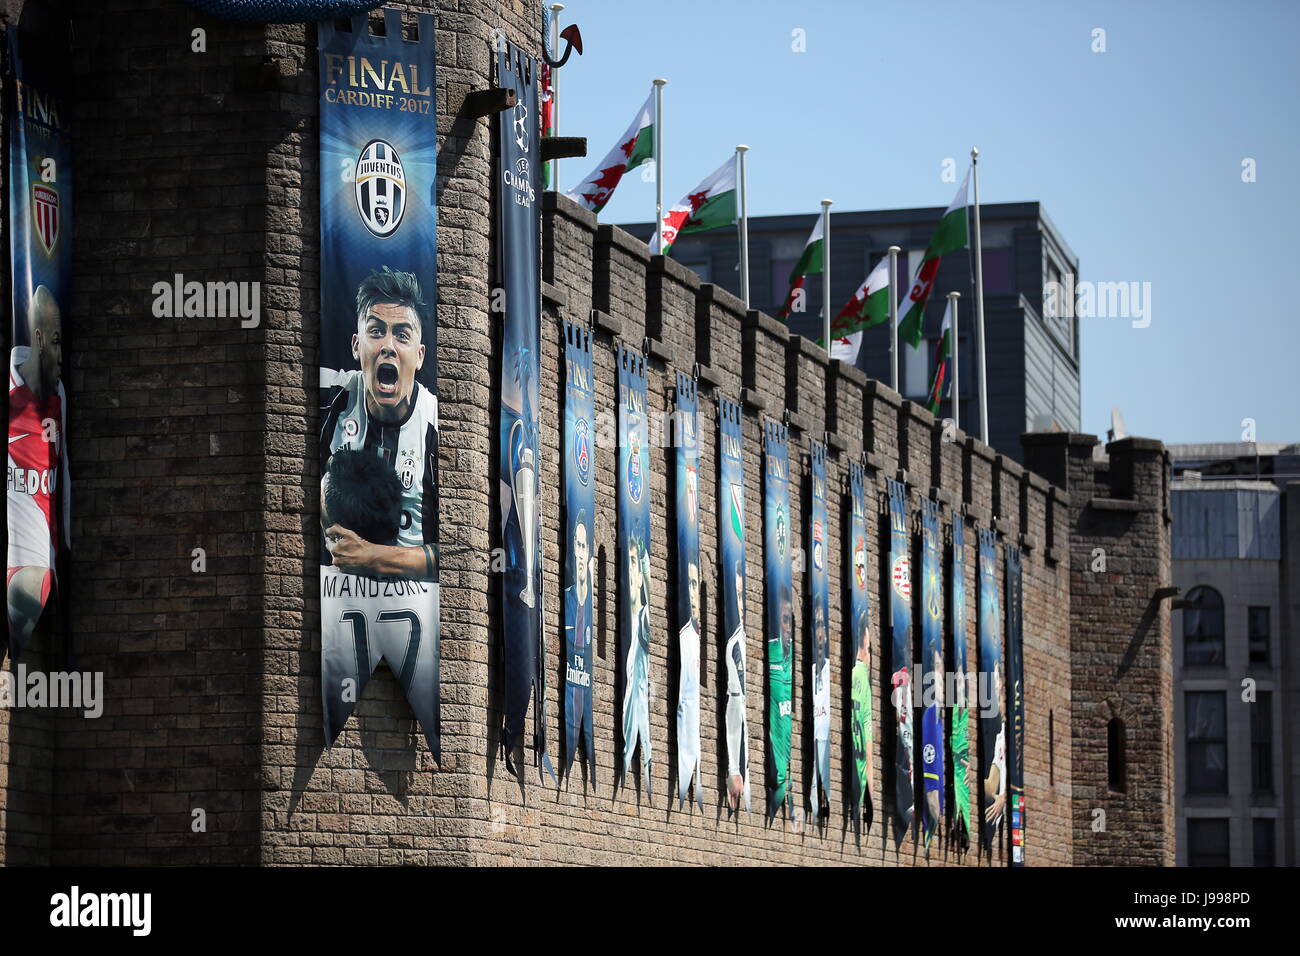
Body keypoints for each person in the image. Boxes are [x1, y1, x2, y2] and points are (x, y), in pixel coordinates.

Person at [320, 266, 437, 581]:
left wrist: (372, 556)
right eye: (376, 331)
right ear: (357, 346)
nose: (388, 346)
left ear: (420, 355)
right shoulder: (327, 398)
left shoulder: (436, 425)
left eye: (402, 334)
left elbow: (459, 552)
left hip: (417, 609)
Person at [8, 285, 69, 652]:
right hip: (22, 570)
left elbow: (65, 476)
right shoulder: (10, 393)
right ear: (40, 338)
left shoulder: (57, 394)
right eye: (58, 342)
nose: (62, 356)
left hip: (52, 563)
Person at [564, 512, 593, 763]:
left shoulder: (589, 606)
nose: (581, 553)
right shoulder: (568, 598)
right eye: (577, 545)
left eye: (585, 546)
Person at [724, 560, 748, 812]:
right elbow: (734, 709)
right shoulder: (734, 646)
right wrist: (734, 768)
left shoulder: (742, 639)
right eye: (737, 596)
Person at [676, 558, 701, 799]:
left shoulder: (697, 637)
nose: (694, 592)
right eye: (691, 585)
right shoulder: (684, 635)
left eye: (697, 585)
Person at [850, 609, 874, 816]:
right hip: (859, 780)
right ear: (865, 641)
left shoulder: (853, 673)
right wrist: (872, 792)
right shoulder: (862, 676)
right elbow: (868, 744)